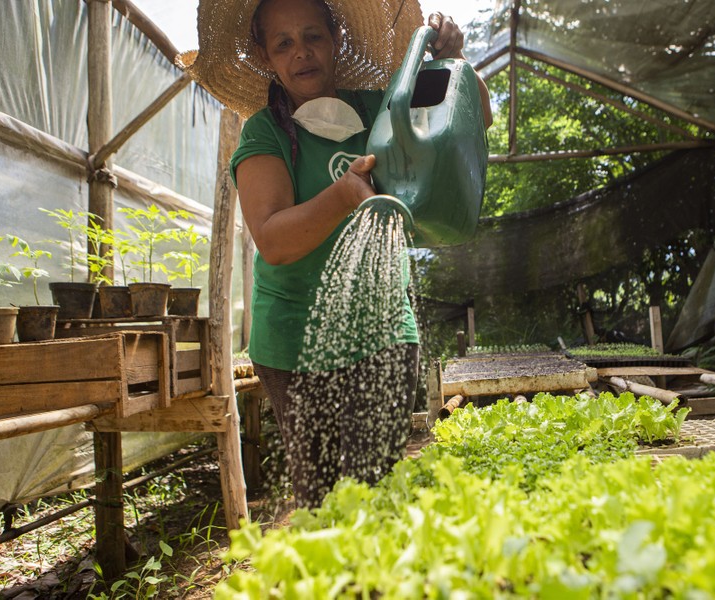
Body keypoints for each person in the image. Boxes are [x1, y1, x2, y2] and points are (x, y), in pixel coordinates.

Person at [179, 0, 492, 508]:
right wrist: (343, 195)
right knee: (323, 497)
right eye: (283, 43)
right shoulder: (266, 132)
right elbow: (274, 241)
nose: (301, 53)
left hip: (385, 333)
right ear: (264, 55)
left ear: (336, 38)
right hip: (295, 344)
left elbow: (474, 118)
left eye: (313, 37)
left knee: (376, 490)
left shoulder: (377, 106)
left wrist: (452, 60)